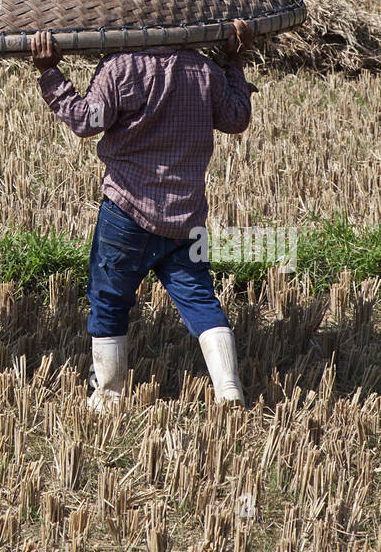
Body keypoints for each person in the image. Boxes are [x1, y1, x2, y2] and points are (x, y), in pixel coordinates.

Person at [31, 21, 258, 408]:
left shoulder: (120, 68)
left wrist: (50, 72)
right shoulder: (204, 71)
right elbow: (236, 118)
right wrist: (234, 63)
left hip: (125, 215)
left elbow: (87, 121)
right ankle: (228, 388)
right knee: (201, 299)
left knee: (109, 301)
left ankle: (108, 396)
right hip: (187, 221)